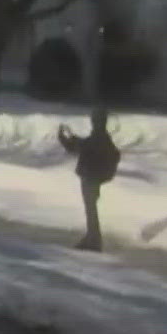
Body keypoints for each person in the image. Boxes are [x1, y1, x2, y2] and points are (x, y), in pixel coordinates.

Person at [58, 108, 121, 252]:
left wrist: (65, 138)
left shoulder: (99, 137)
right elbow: (83, 145)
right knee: (91, 209)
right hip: (94, 177)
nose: (93, 122)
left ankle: (94, 240)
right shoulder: (102, 137)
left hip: (90, 178)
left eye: (94, 119)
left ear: (97, 121)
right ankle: (92, 237)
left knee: (91, 209)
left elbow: (80, 147)